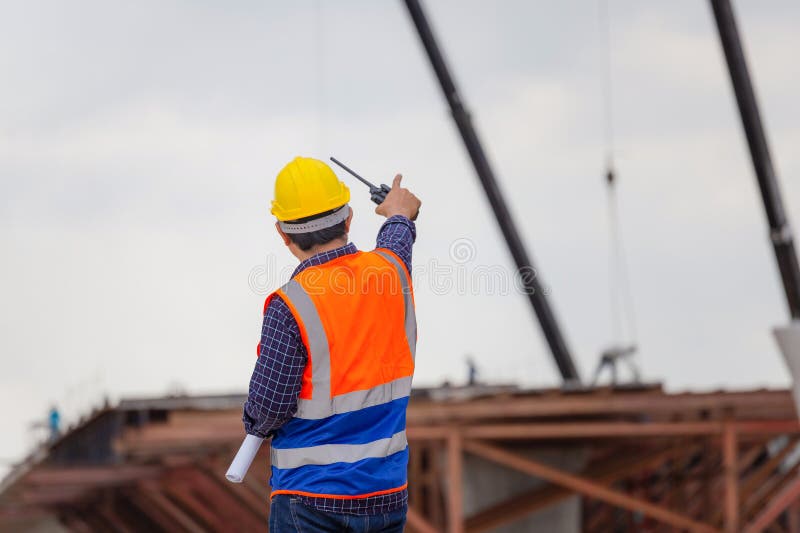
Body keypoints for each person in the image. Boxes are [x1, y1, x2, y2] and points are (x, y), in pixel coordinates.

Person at [243, 156, 421, 532]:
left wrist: (253, 420)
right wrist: (400, 213)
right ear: (349, 219)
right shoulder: (391, 273)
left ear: (283, 234)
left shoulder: (290, 304)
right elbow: (397, 240)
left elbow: (270, 407)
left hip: (312, 502)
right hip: (386, 496)